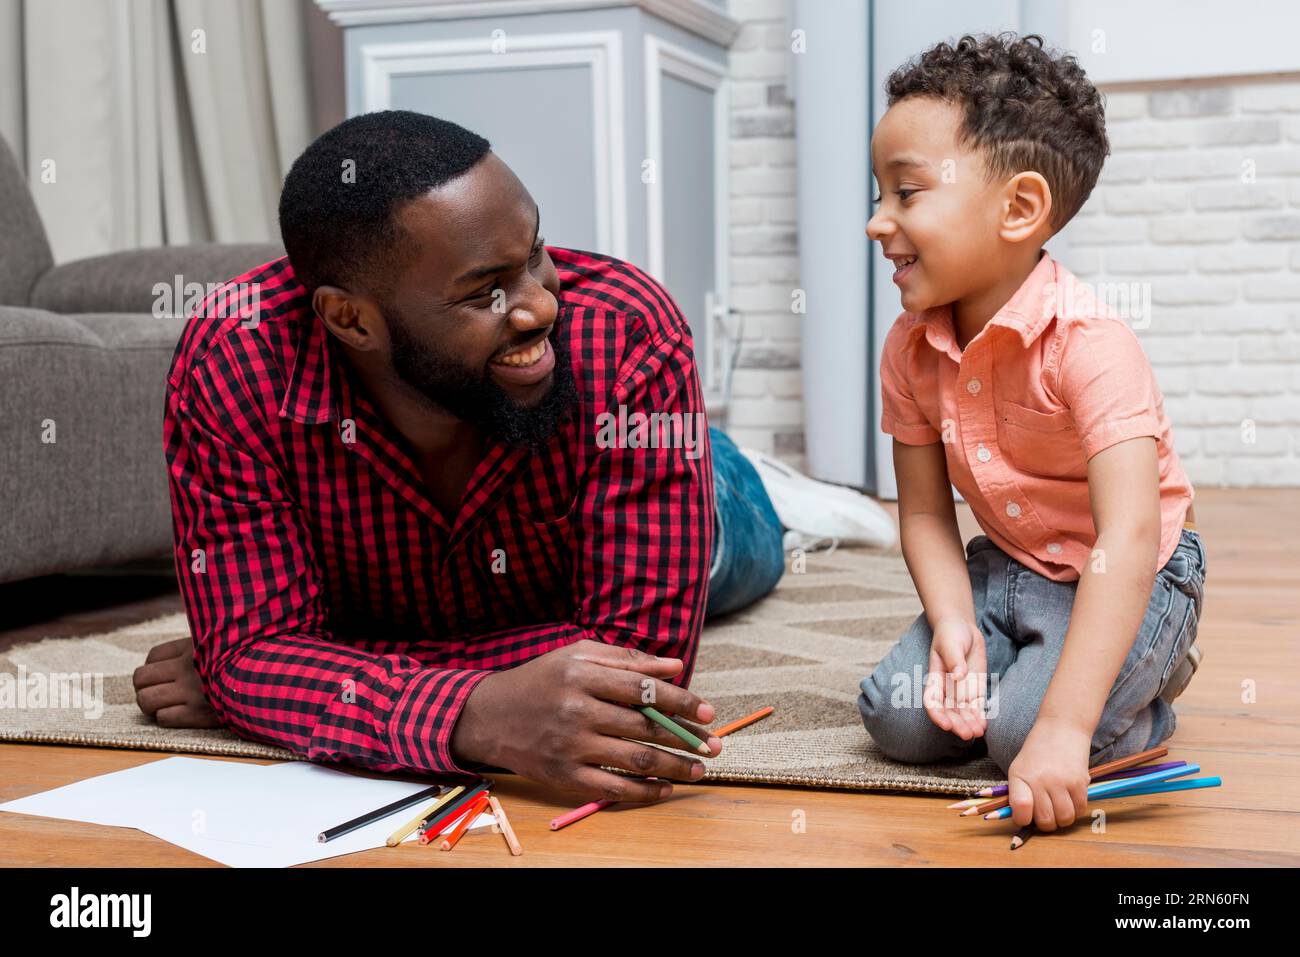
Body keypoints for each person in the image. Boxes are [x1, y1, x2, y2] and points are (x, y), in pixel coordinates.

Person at [133, 110, 785, 805]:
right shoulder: (233, 363)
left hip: (716, 505)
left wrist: (292, 676)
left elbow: (638, 677)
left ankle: (764, 479)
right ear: (351, 319)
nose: (540, 306)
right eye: (486, 292)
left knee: (738, 533)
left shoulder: (631, 337)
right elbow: (252, 655)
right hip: (517, 587)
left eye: (536, 252)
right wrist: (474, 714)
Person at [856, 34, 1206, 834]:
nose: (877, 222)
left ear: (1019, 208)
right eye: (878, 193)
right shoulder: (908, 347)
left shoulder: (1090, 343)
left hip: (1134, 571)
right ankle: (1038, 670)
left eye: (906, 193)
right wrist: (951, 622)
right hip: (1009, 565)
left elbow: (1129, 532)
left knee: (1023, 734)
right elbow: (922, 514)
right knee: (899, 716)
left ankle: (1148, 692)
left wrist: (1062, 728)